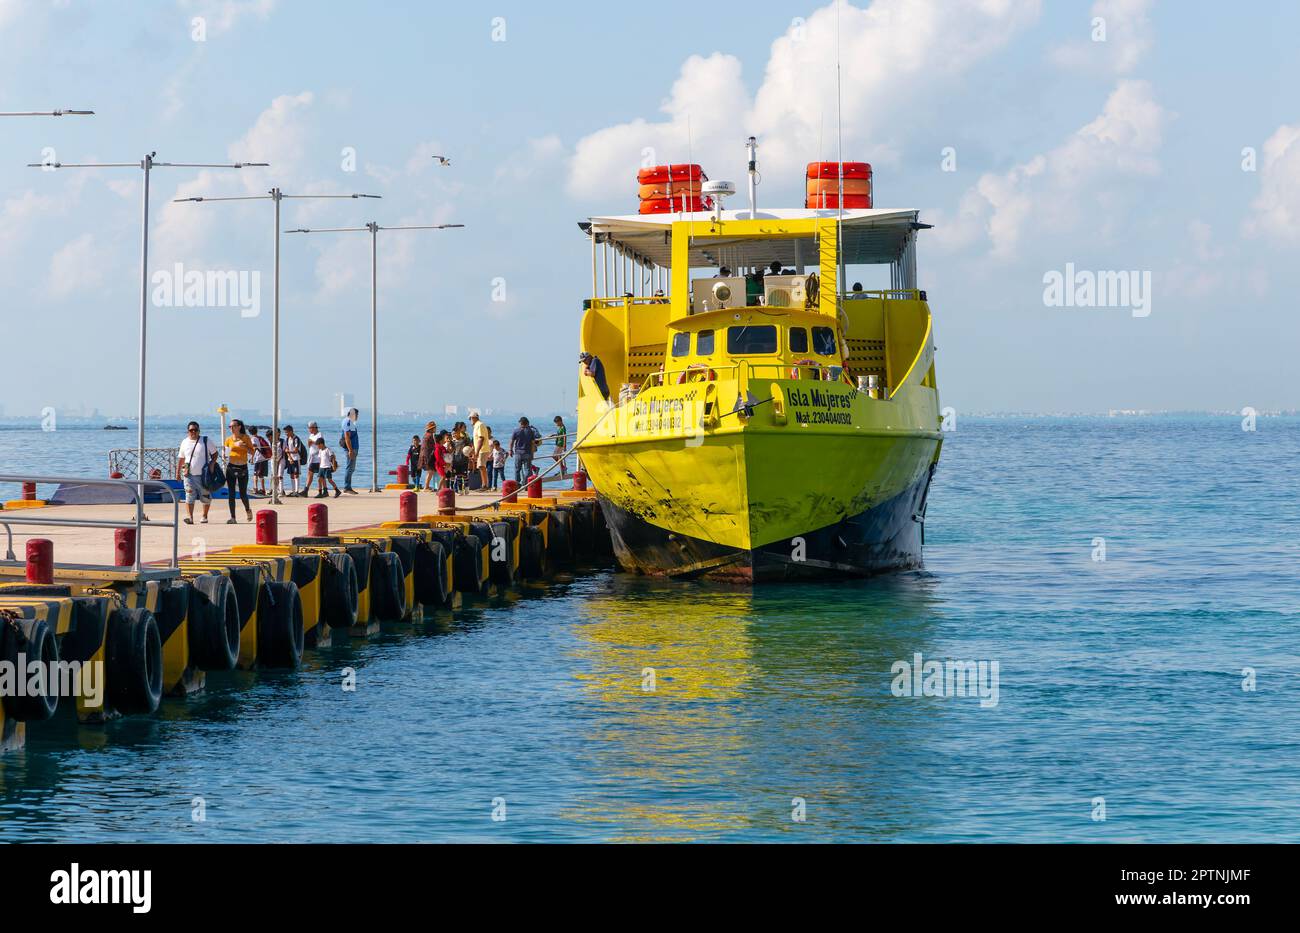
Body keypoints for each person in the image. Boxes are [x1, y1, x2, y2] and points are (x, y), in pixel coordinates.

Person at [176, 421, 219, 524]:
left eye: (196, 430)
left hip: (204, 475)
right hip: (188, 474)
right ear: (188, 431)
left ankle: (204, 516)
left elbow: (215, 453)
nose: (193, 432)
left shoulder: (205, 440)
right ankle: (190, 517)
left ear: (199, 431)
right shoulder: (184, 442)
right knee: (189, 495)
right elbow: (181, 458)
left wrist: (212, 463)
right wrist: (177, 473)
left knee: (205, 496)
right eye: (191, 430)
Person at [224, 418, 256, 524]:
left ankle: (248, 509)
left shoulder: (245, 438)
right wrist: (231, 449)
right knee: (231, 494)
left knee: (243, 494)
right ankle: (233, 517)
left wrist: (245, 446)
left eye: (233, 426)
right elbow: (225, 453)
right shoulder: (228, 439)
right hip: (231, 467)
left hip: (243, 468)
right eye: (230, 427)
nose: (231, 428)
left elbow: (252, 452)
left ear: (239, 427)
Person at [510, 417, 540, 485]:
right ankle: (525, 483)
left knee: (517, 469)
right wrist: (532, 453)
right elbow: (533, 443)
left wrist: (510, 450)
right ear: (527, 423)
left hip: (518, 453)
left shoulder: (516, 431)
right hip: (527, 452)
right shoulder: (530, 431)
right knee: (527, 470)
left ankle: (517, 483)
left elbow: (512, 441)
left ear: (521, 423)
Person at [281, 424, 306, 497]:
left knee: (296, 474)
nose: (286, 434)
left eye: (287, 432)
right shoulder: (287, 439)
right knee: (291, 475)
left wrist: (288, 452)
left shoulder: (296, 439)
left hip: (296, 458)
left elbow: (296, 450)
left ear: (291, 431)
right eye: (285, 432)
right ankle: (293, 491)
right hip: (290, 459)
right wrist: (289, 457)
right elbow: (286, 449)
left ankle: (297, 491)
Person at [340, 407, 360, 494]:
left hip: (353, 448)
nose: (357, 416)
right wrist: (350, 450)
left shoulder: (350, 422)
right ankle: (347, 487)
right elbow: (347, 437)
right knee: (349, 468)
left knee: (351, 468)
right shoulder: (347, 422)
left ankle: (348, 486)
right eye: (356, 414)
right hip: (351, 449)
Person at [250, 426, 271, 495]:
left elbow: (254, 448)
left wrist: (252, 458)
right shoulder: (260, 438)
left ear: (249, 432)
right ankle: (263, 489)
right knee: (261, 475)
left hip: (259, 458)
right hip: (264, 457)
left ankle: (255, 488)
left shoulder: (253, 438)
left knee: (255, 474)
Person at [419, 421, 438, 491]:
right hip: (428, 455)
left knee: (429, 471)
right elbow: (434, 445)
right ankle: (426, 487)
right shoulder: (431, 435)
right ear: (431, 429)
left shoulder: (425, 435)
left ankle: (426, 486)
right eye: (435, 428)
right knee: (431, 471)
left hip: (424, 455)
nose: (436, 429)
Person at [306, 421, 322, 496]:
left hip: (318, 458)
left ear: (314, 428)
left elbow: (320, 443)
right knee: (310, 473)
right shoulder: (311, 435)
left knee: (320, 475)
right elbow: (309, 446)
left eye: (310, 428)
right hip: (312, 458)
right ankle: (306, 490)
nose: (309, 430)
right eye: (309, 428)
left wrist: (311, 441)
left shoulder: (319, 434)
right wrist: (309, 442)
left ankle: (321, 491)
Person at [475, 424, 493, 489]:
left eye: (488, 431)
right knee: (482, 470)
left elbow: (495, 449)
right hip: (483, 456)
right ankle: (484, 484)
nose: (487, 433)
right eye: (486, 432)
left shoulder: (492, 440)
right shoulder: (484, 439)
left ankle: (489, 486)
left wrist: (491, 455)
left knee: (489, 472)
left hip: (490, 459)